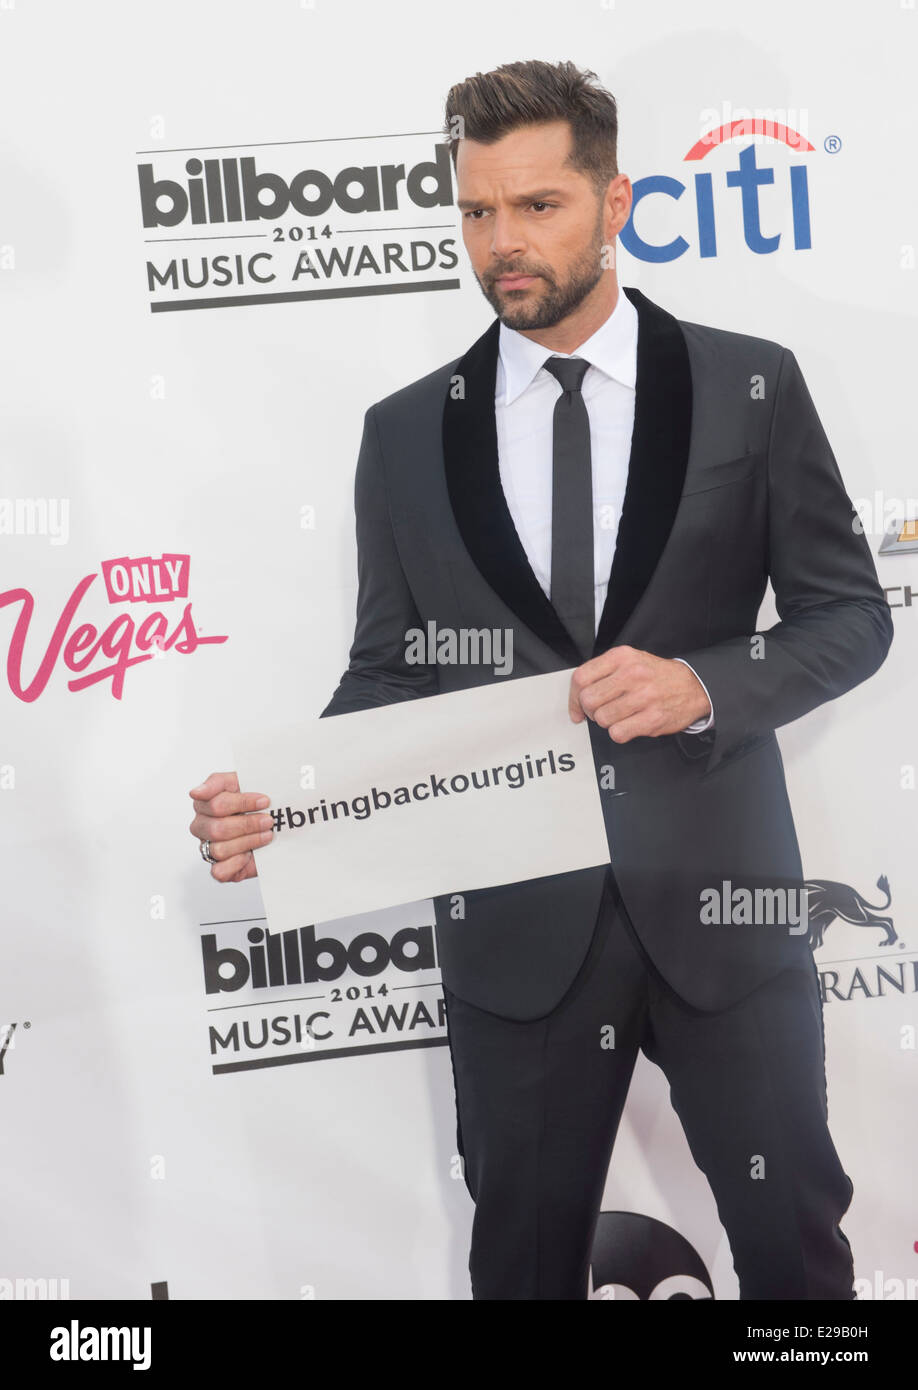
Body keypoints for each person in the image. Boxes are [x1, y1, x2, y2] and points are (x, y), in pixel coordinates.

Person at [188, 60, 893, 1300]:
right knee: (518, 1268)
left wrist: (708, 683)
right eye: (475, 211)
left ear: (616, 203)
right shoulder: (408, 431)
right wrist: (286, 807)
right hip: (516, 933)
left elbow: (848, 617)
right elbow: (391, 671)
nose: (501, 243)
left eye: (539, 207)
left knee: (796, 1261)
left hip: (725, 907)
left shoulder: (750, 383)